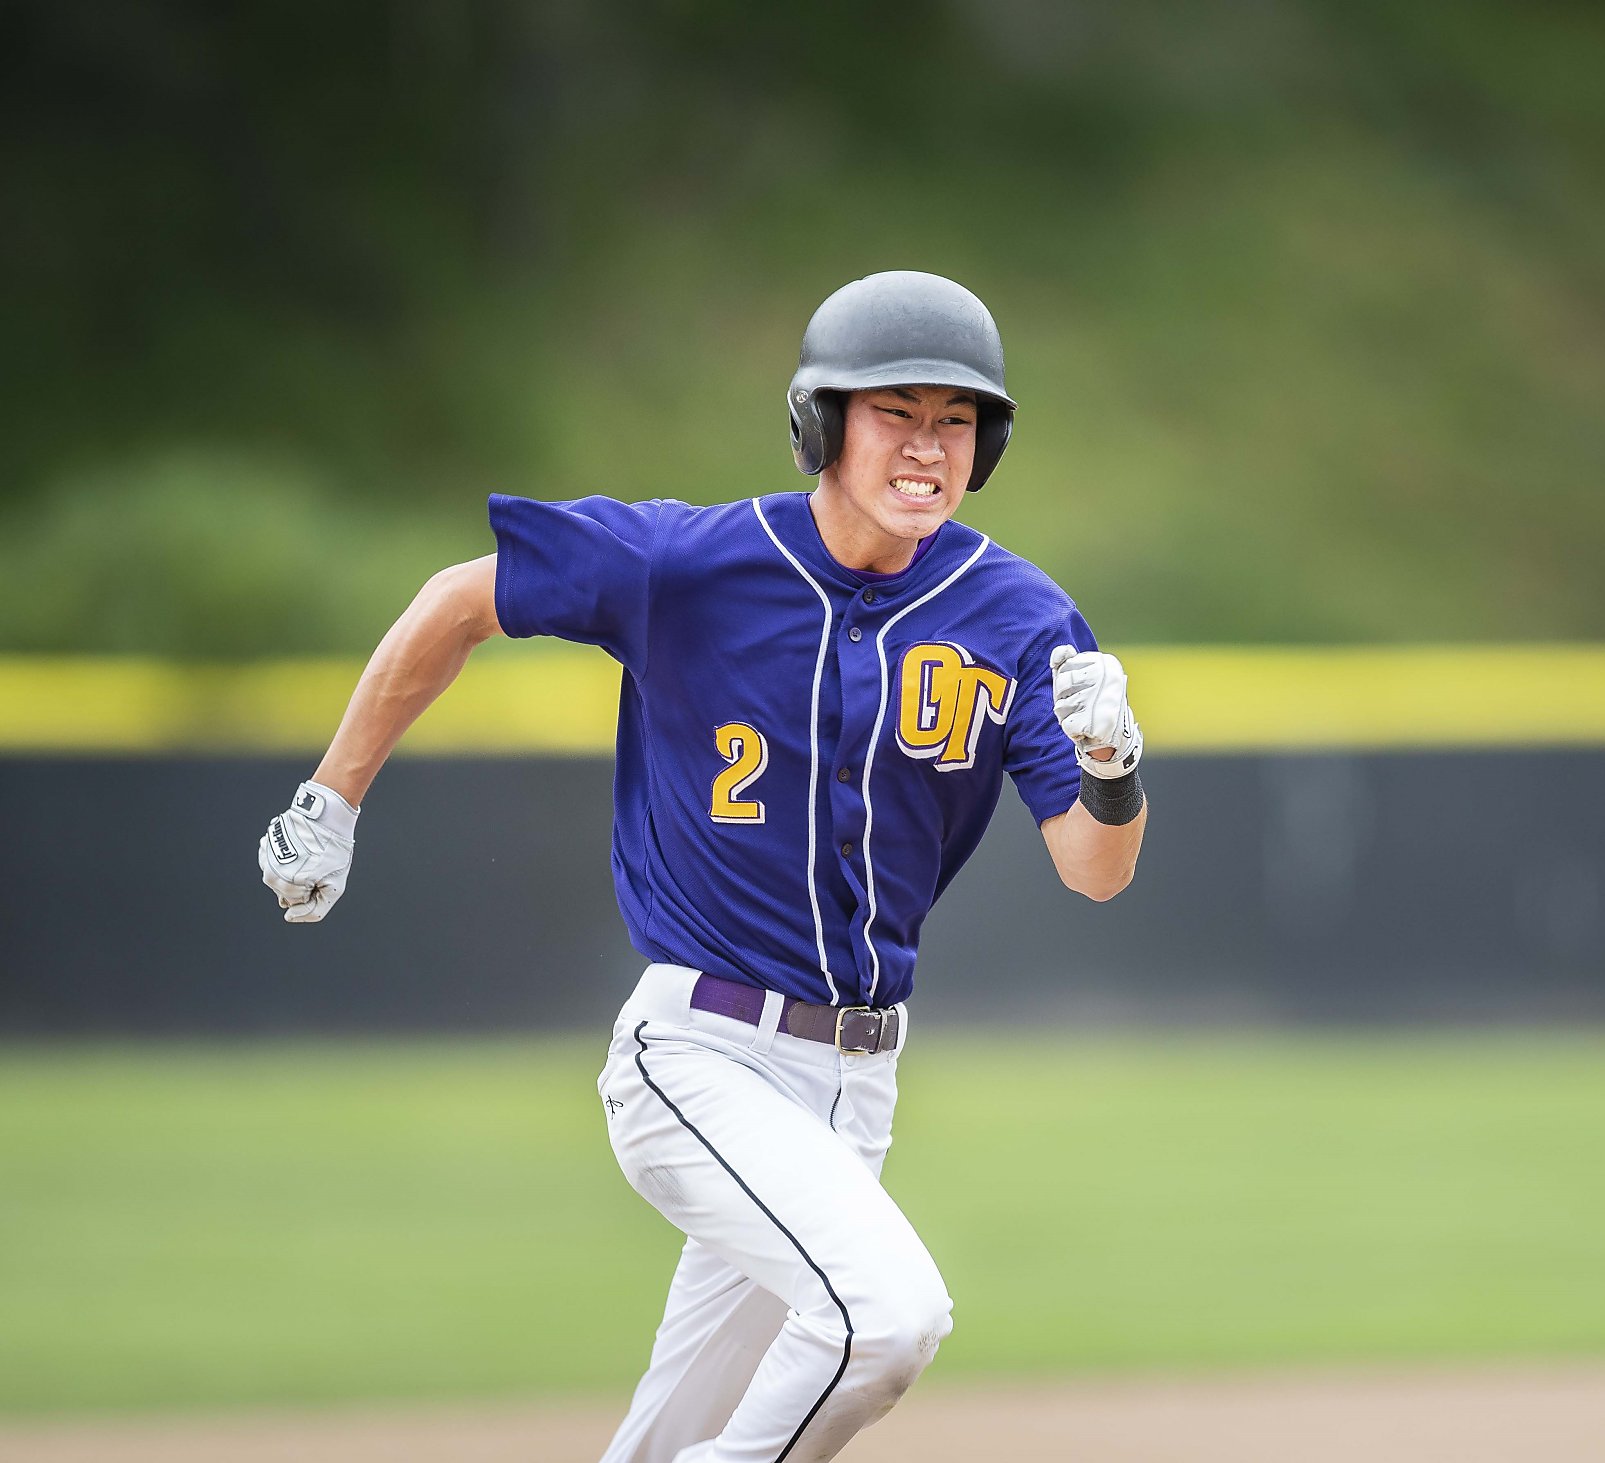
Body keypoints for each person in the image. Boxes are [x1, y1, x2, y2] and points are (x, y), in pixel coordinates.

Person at [255, 270, 1148, 1463]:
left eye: (955, 418)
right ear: (822, 426)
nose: (928, 443)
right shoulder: (690, 561)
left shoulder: (1018, 615)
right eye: (896, 412)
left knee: (672, 1426)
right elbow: (458, 600)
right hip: (700, 1053)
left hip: (857, 1088)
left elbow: (1094, 869)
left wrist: (1110, 766)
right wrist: (333, 794)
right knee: (886, 1317)